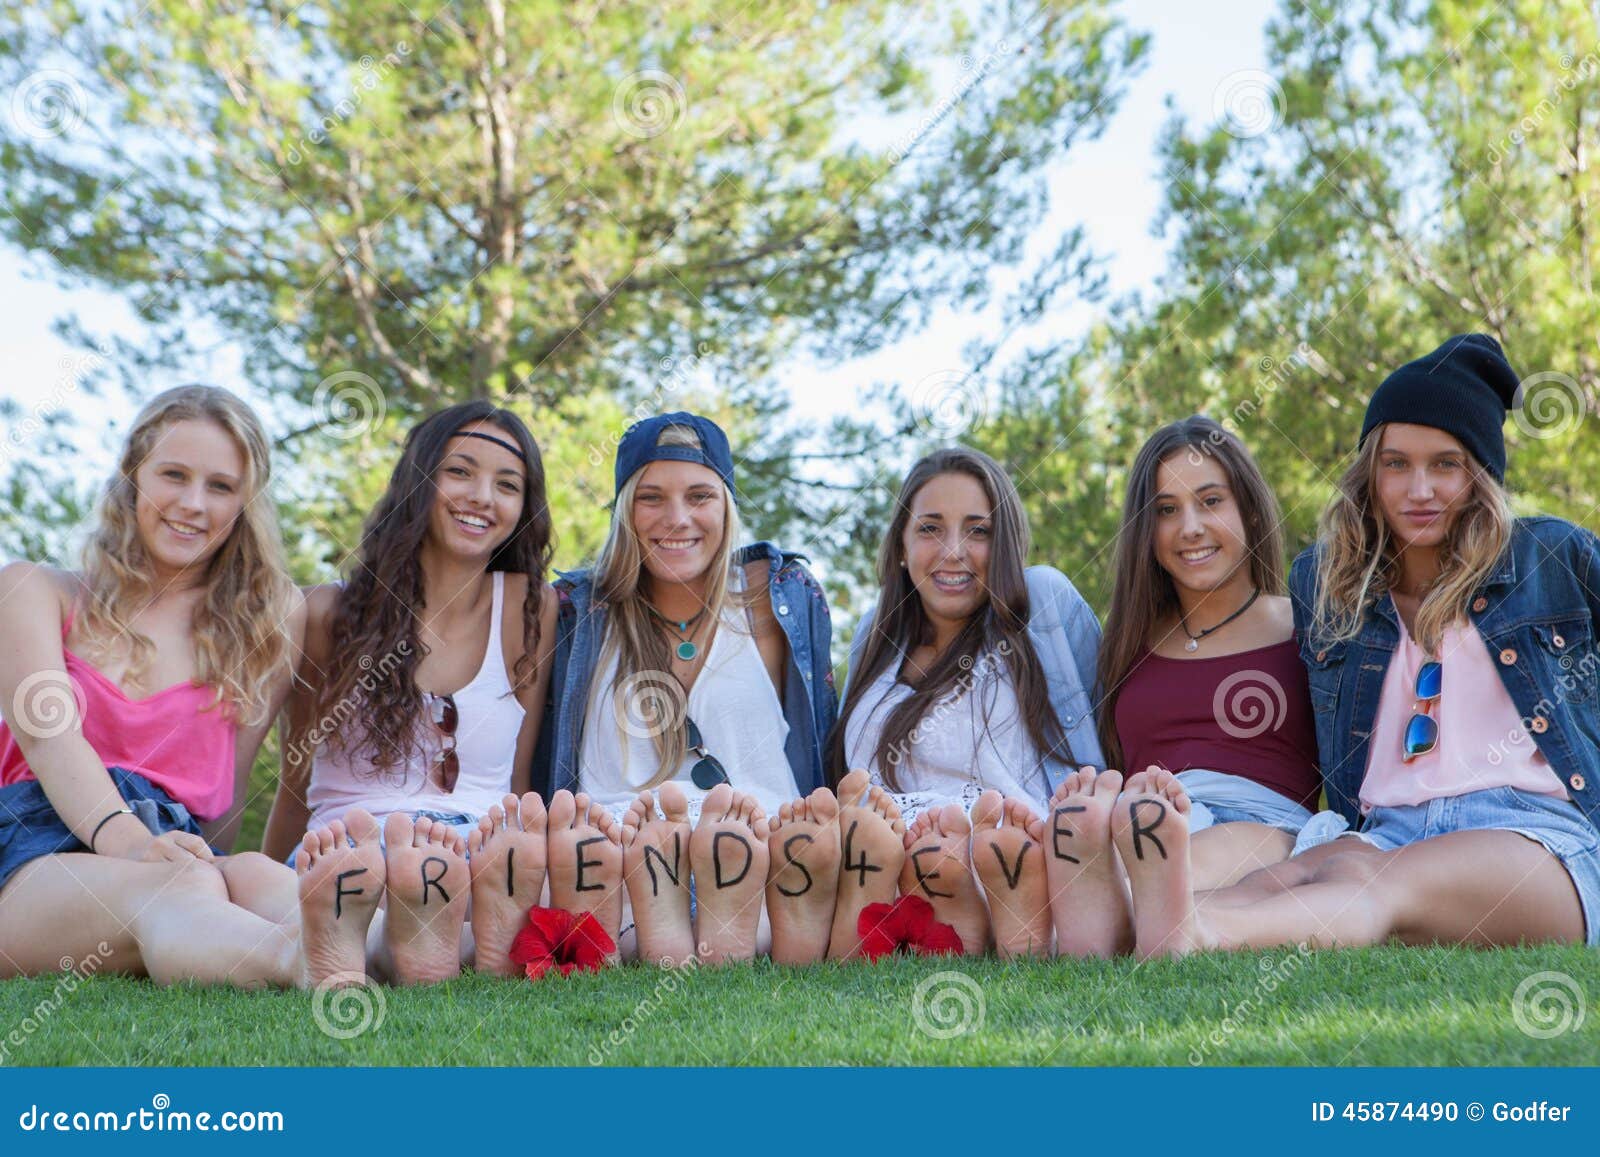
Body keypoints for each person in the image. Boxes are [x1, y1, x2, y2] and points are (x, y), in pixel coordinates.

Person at [1109, 335, 1600, 956]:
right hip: (1386, 830)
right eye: (1396, 463)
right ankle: (1137, 917)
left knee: (1376, 885)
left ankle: (1190, 933)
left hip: (1531, 833)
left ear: (1480, 475)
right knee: (1288, 874)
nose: (1417, 489)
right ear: (1370, 471)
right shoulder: (1332, 587)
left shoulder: (1547, 557)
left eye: (1444, 464)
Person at [0, 385, 352, 988]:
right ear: (132, 476)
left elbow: (225, 799)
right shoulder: (32, 590)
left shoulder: (267, 623)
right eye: (173, 475)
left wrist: (215, 866)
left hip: (175, 848)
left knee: (256, 876)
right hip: (31, 850)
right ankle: (300, 964)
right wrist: (134, 845)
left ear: (245, 503)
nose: (193, 503)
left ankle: (397, 944)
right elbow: (49, 739)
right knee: (174, 886)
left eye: (220, 486)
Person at [263, 401, 557, 982]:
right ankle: (428, 939)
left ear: (523, 508)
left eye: (507, 484)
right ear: (417, 481)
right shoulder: (326, 611)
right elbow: (295, 783)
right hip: (352, 849)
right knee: (257, 882)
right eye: (459, 472)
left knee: (538, 880)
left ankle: (408, 939)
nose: (481, 496)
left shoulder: (530, 608)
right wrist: (260, 870)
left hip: (478, 856)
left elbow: (514, 785)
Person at [535, 411, 838, 964]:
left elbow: (824, 738)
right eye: (651, 498)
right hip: (618, 851)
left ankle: (687, 928)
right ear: (624, 512)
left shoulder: (779, 600)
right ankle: (682, 924)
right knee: (619, 862)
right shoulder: (579, 613)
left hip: (759, 850)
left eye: (700, 495)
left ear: (727, 506)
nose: (677, 519)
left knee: (750, 866)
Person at [1050, 417, 1318, 957]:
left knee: (1172, 868)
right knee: (1141, 842)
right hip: (1142, 814)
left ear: (1248, 508)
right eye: (1166, 511)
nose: (1189, 527)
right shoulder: (1127, 641)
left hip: (1263, 822)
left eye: (1210, 501)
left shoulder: (1305, 626)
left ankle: (1105, 917)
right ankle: (1106, 914)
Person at [832, 447, 1104, 958]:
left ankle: (983, 908)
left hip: (1007, 848)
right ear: (900, 546)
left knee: (973, 855)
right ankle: (919, 909)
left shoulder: (1039, 603)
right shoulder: (876, 634)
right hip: (884, 855)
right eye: (930, 528)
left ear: (1004, 544)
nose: (954, 551)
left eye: (978, 530)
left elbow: (1106, 721)